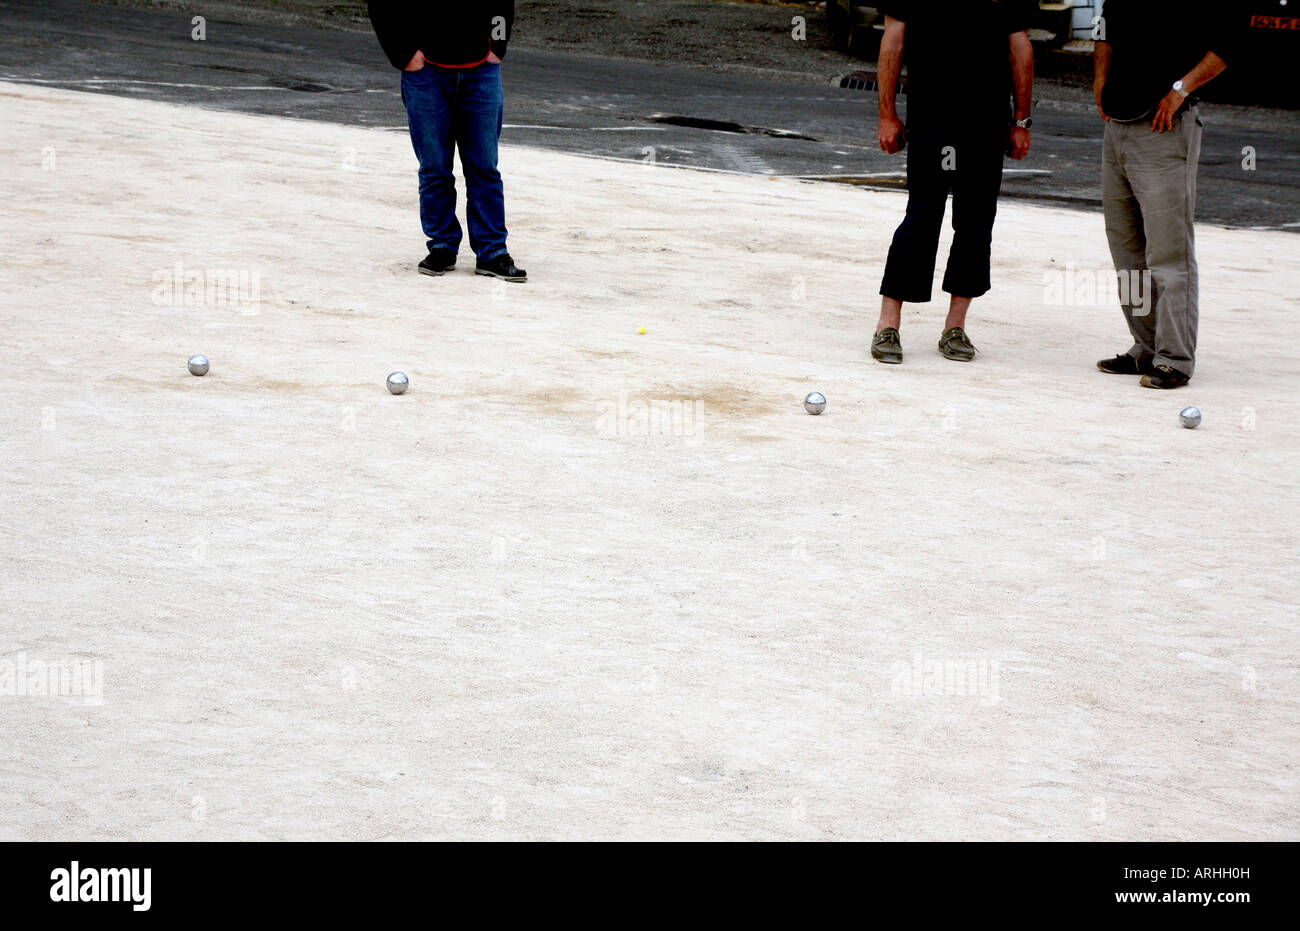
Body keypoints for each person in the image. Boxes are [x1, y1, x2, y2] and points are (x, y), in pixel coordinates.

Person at [871, 1, 1035, 365]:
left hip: (986, 120)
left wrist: (1021, 121)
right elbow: (893, 42)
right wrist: (886, 114)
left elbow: (1019, 46)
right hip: (932, 117)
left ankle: (955, 327)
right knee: (922, 215)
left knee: (975, 221)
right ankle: (888, 324)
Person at [1093, 1, 1230, 388]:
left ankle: (1175, 358)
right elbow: (1104, 33)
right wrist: (1099, 81)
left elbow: (1228, 46)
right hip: (1118, 127)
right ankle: (1147, 346)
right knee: (1127, 250)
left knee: (1169, 252)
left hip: (1164, 127)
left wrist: (1180, 90)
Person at [367, 1, 526, 283]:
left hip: (481, 71)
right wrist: (403, 53)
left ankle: (492, 252)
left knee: (484, 167)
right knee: (434, 167)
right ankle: (442, 246)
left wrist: (497, 46)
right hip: (425, 72)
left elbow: (502, 1)